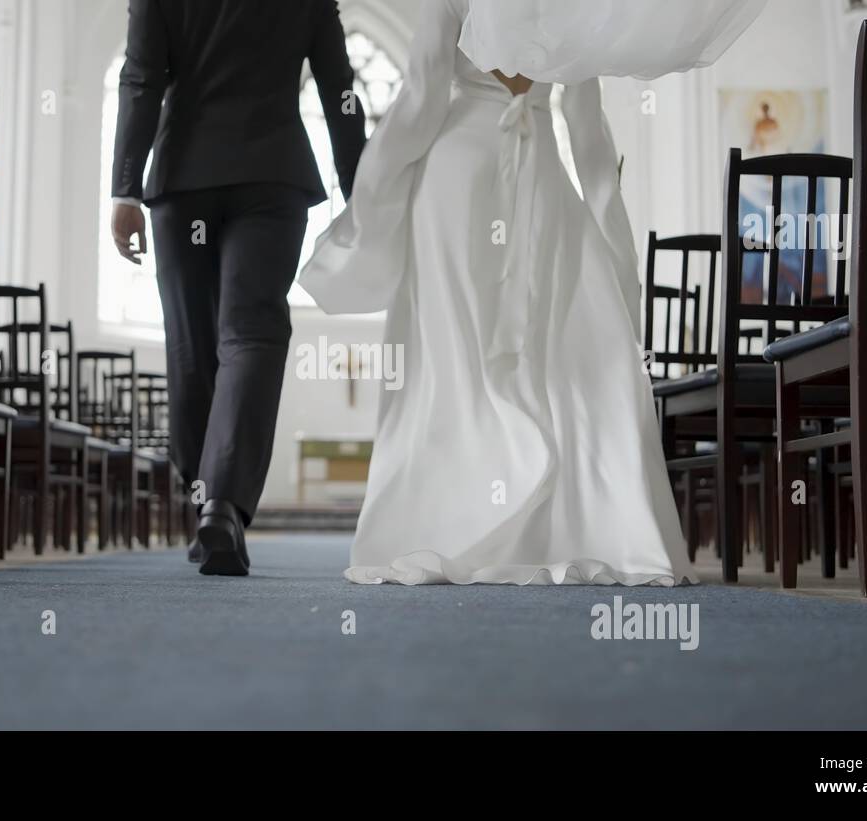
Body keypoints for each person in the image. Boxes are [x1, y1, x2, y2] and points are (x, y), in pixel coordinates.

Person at [300, 0, 759, 585]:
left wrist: (366, 213)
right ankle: (587, 527)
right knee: (567, 346)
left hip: (453, 180)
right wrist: (618, 257)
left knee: (450, 359)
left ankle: (440, 523)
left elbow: (418, 105)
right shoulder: (572, 10)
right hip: (541, 178)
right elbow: (590, 138)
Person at [110, 0, 367, 576]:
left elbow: (141, 77)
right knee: (251, 334)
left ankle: (209, 500)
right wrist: (358, 193)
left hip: (184, 178)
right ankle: (221, 504)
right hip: (272, 177)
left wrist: (125, 189)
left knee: (192, 347)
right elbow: (340, 91)